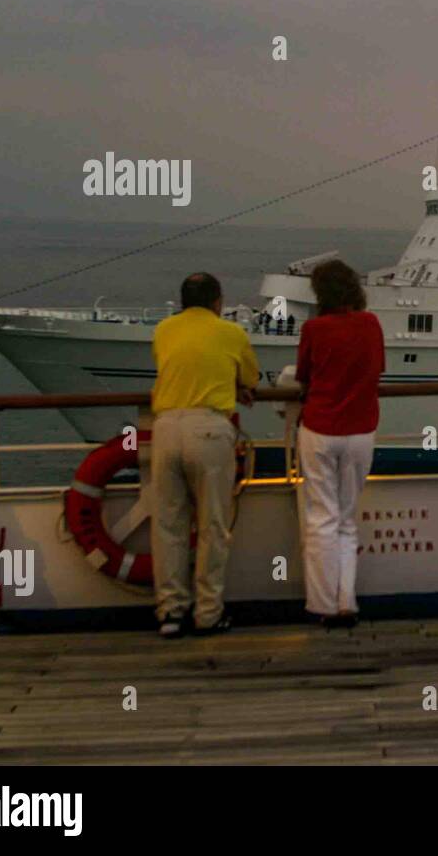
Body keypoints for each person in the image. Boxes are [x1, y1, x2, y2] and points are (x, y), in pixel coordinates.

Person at [150, 272, 260, 638]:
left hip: (165, 428)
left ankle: (170, 612)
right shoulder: (232, 333)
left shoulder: (164, 330)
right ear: (218, 302)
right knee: (213, 525)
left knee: (168, 525)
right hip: (209, 430)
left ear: (182, 301)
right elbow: (251, 377)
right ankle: (208, 613)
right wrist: (235, 385)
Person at [295, 259, 386, 628]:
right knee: (347, 518)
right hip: (361, 431)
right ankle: (347, 602)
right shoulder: (371, 324)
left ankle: (323, 605)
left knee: (322, 517)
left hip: (320, 428)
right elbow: (377, 369)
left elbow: (304, 376)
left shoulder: (314, 328)